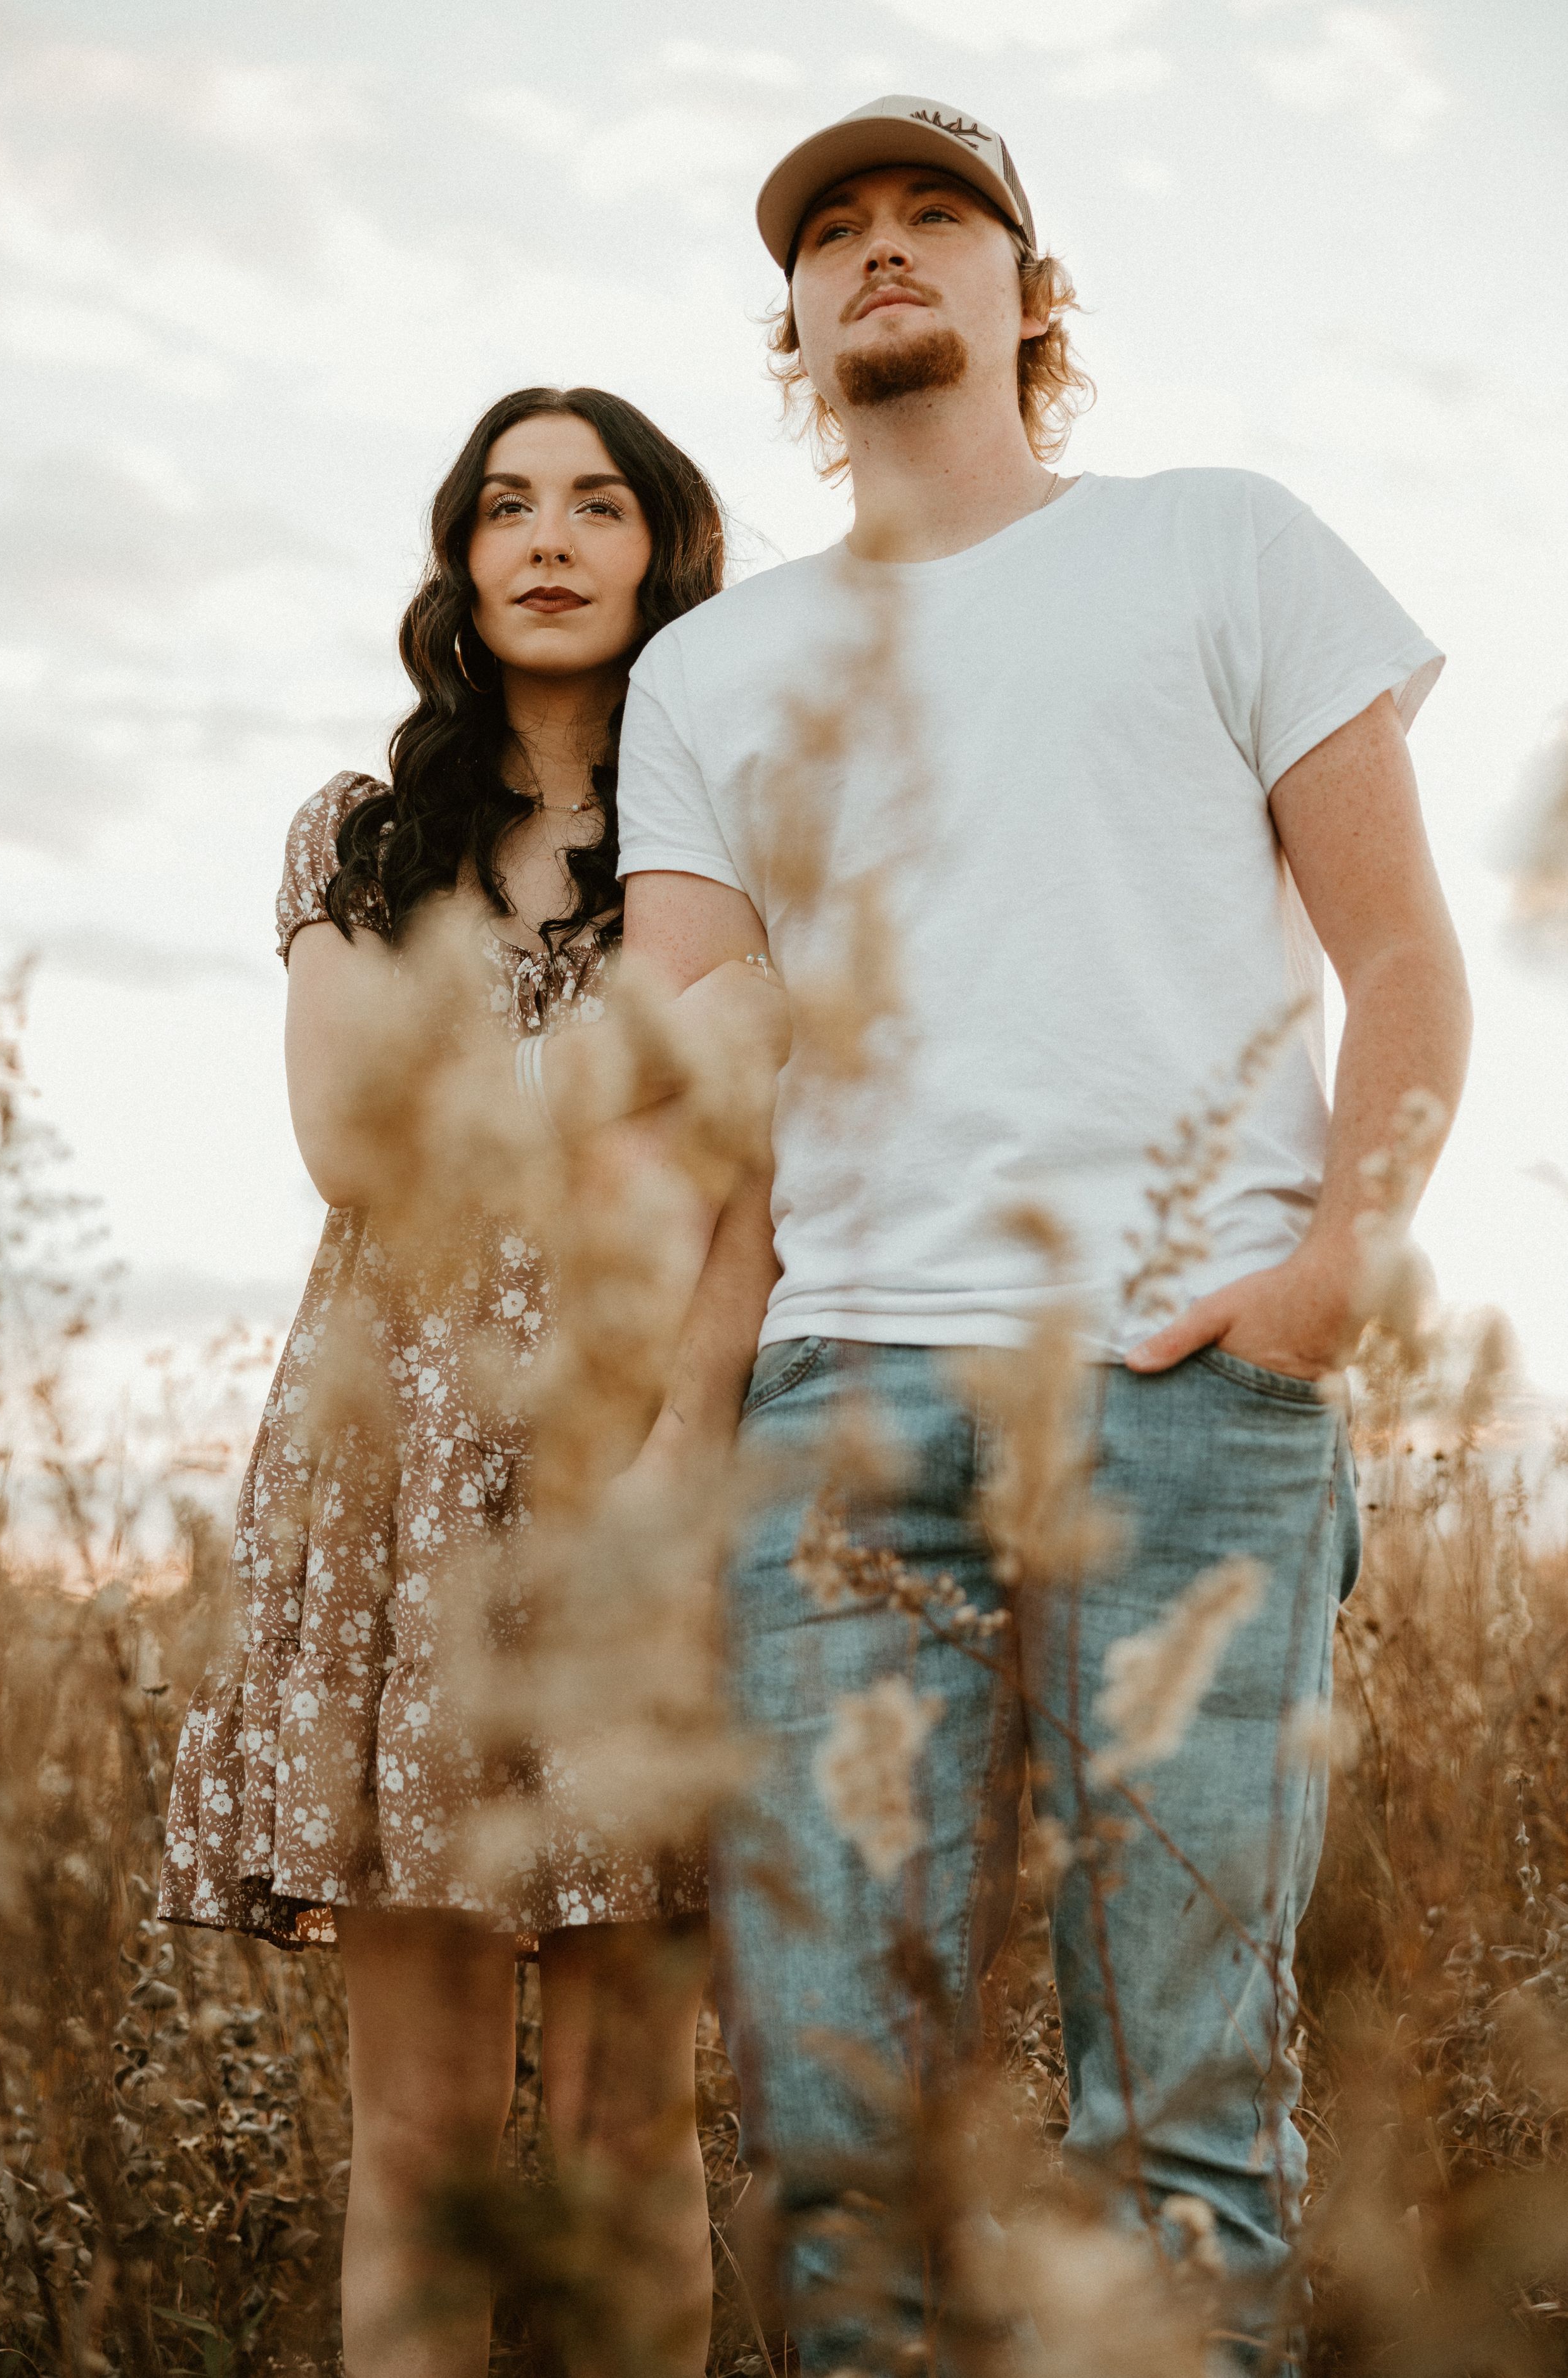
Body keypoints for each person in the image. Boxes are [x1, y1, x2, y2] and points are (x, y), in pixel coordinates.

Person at [616, 96, 1470, 2369]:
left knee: (1180, 2124)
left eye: (936, 220)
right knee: (832, 2137)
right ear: (792, 324)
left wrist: (1323, 1282)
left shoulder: (1223, 544)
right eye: (837, 238)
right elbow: (692, 1055)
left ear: (1026, 293)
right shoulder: (709, 673)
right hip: (842, 1407)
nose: (882, 254)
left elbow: (1398, 955)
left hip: (1189, 1387)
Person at [159, 386, 782, 2378]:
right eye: (504, 504)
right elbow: (362, 1150)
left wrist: (689, 1446)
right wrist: (664, 1047)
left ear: (664, 552)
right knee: (419, 2138)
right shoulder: (366, 835)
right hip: (394, 1480)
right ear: (456, 559)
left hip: (638, 1473)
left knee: (624, 2135)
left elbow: (766, 1195)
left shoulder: (746, 849)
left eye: (597, 504)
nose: (547, 536)